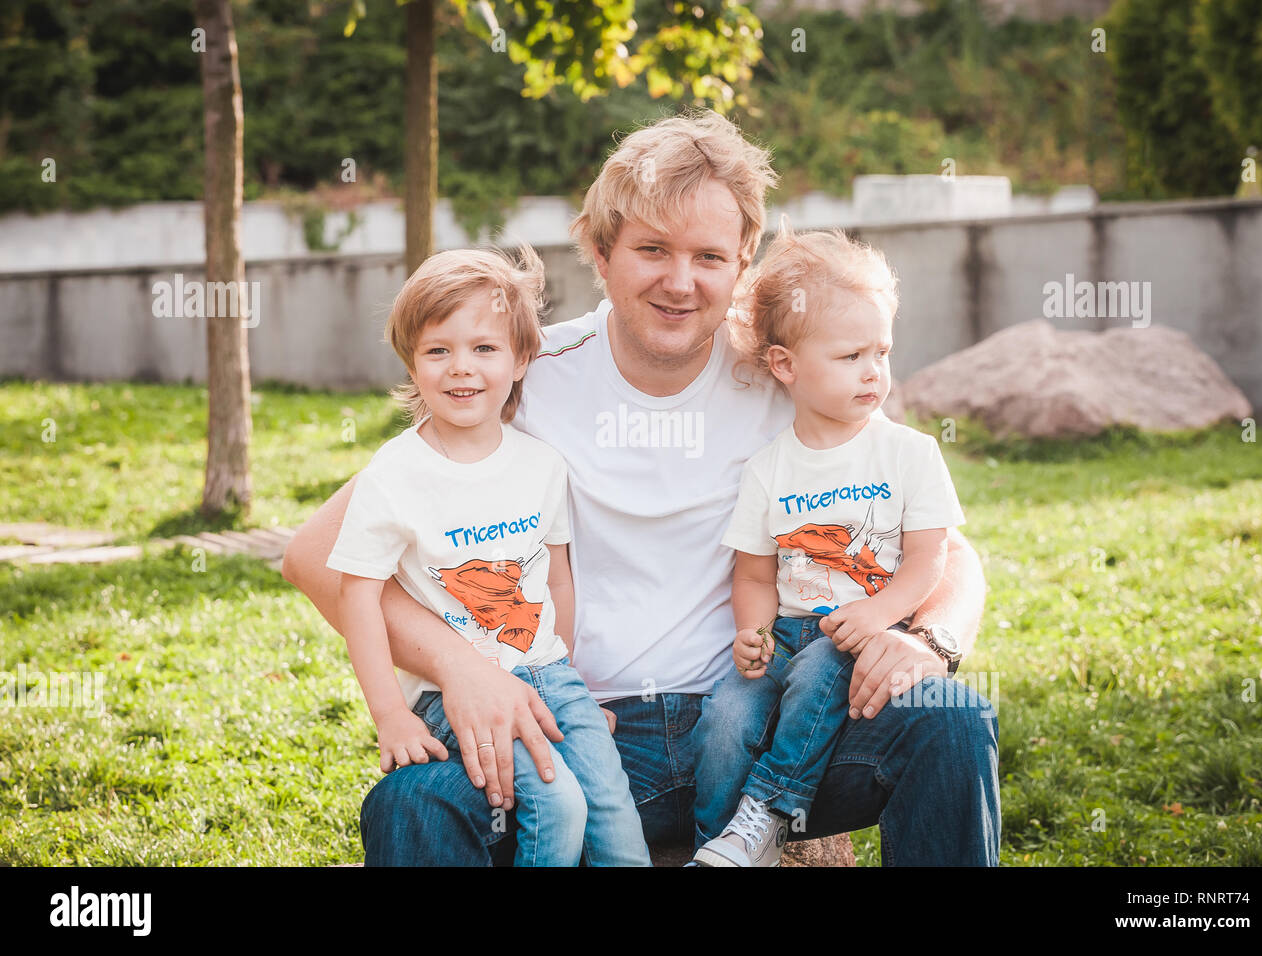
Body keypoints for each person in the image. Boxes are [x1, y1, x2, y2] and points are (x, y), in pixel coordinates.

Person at [282, 110, 1000, 866]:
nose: (680, 282)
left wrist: (929, 639)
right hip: (580, 731)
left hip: (761, 730)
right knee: (412, 803)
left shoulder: (791, 377)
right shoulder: (523, 374)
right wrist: (465, 670)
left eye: (709, 256)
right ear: (599, 250)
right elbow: (314, 555)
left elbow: (949, 553)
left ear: (742, 259)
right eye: (652, 248)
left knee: (948, 717)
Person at [323, 244, 650, 866]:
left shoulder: (541, 464)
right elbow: (356, 594)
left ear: (522, 357)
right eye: (437, 351)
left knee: (614, 818)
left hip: (552, 677)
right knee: (560, 806)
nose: (460, 369)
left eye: (483, 349)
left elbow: (556, 580)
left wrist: (573, 682)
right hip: (455, 694)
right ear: (411, 361)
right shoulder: (394, 473)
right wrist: (389, 714)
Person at [692, 228, 967, 866]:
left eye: (882, 352)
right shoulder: (767, 469)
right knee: (726, 715)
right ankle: (717, 846)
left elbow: (931, 558)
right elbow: (757, 576)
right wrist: (752, 634)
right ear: (786, 365)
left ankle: (768, 810)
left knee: (818, 673)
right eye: (850, 357)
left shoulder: (908, 453)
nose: (874, 372)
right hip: (789, 628)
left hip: (867, 630)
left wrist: (877, 615)